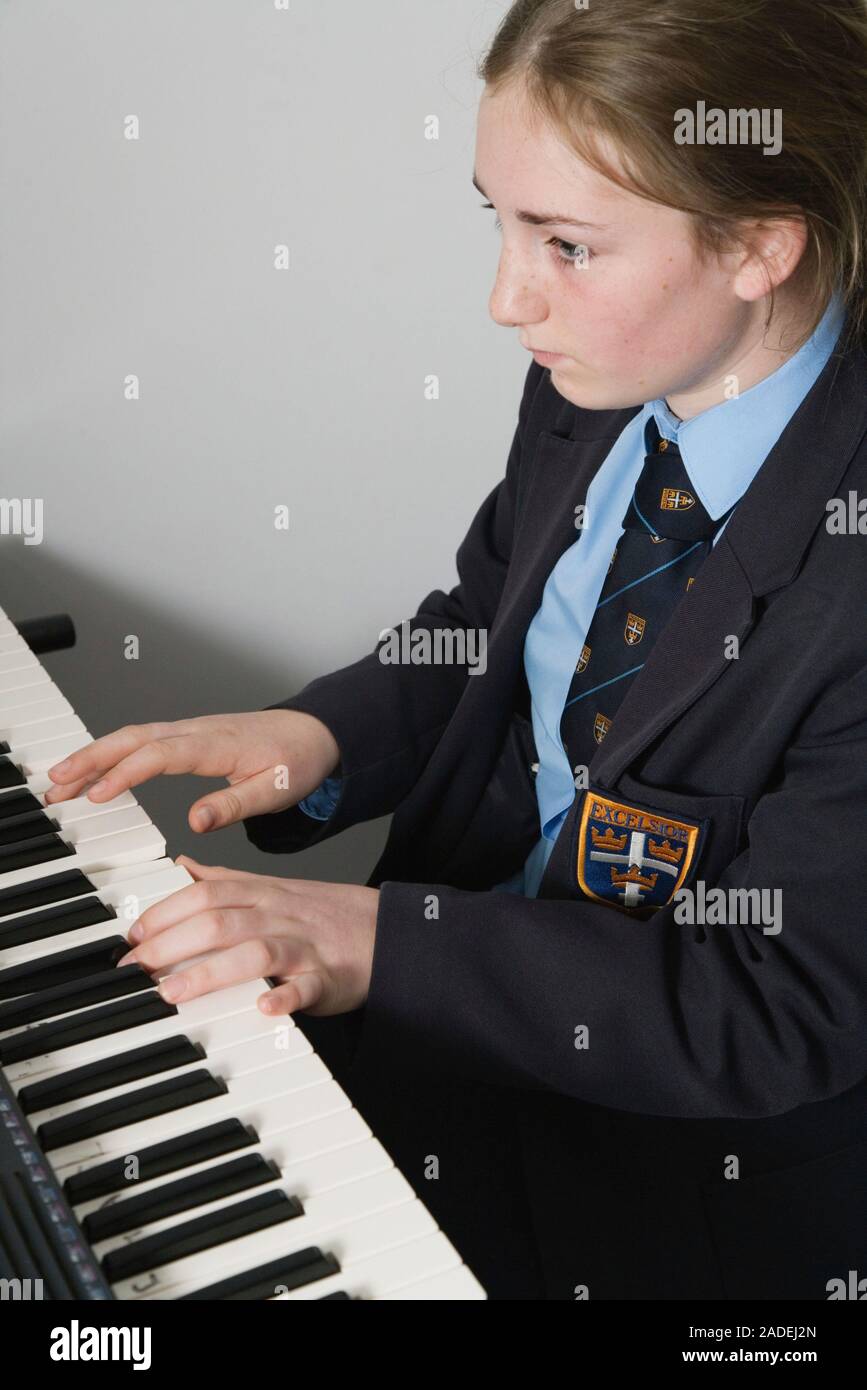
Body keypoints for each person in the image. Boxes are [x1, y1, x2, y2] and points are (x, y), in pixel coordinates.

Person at [46, 0, 867, 1300]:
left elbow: (782, 999)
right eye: (498, 216)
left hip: (670, 1199)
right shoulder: (592, 370)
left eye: (569, 244)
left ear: (761, 244)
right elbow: (492, 618)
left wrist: (382, 941)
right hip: (438, 1070)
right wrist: (316, 736)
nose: (506, 298)